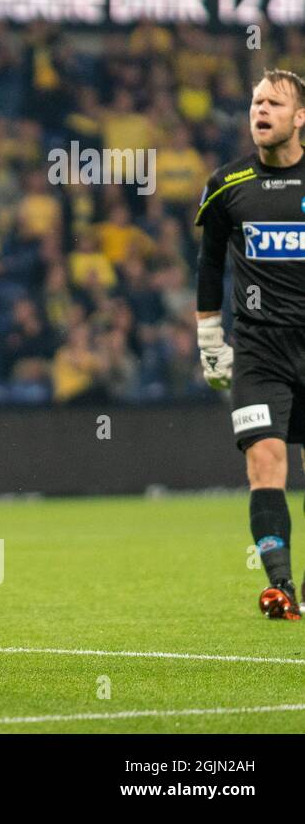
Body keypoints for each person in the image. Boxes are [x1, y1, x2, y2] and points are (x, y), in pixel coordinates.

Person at [195, 68, 305, 620]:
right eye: (256, 102)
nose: (260, 111)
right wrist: (208, 335)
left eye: (274, 103)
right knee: (266, 461)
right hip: (259, 351)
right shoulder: (227, 185)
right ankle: (282, 589)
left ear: (300, 117)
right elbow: (211, 263)